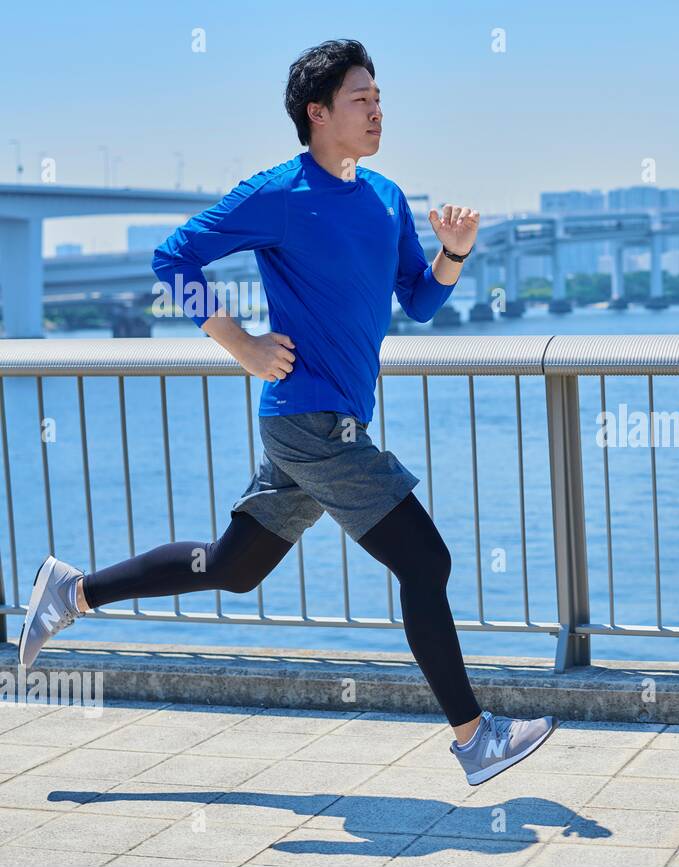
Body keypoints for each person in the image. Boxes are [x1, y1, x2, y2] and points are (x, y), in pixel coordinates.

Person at [16, 38, 555, 787]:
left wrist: (453, 254)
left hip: (324, 422)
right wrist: (240, 343)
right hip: (310, 420)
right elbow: (172, 258)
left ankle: (72, 592)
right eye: (361, 99)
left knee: (234, 567)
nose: (377, 110)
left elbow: (421, 303)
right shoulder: (279, 193)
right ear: (318, 112)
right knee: (426, 561)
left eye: (379, 98)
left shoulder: (388, 198)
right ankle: (475, 738)